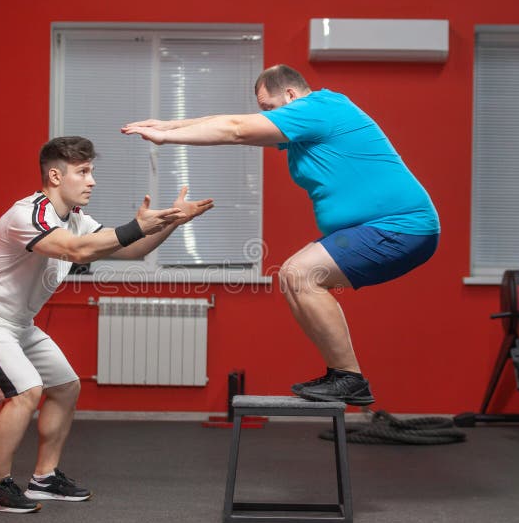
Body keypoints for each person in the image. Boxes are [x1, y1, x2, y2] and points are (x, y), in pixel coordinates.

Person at [122, 64, 439, 406]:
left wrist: (167, 137)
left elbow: (237, 129)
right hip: (380, 228)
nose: (267, 117)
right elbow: (232, 120)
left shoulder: (321, 108)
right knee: (292, 278)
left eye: (269, 108)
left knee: (299, 272)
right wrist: (170, 124)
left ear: (291, 95)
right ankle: (341, 375)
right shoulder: (305, 125)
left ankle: (349, 378)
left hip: (400, 226)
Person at [0, 136, 213, 513]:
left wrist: (172, 222)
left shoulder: (77, 220)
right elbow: (75, 250)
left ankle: (44, 478)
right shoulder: (28, 215)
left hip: (18, 324)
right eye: (83, 172)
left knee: (66, 387)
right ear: (55, 175)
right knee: (25, 393)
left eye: (92, 172)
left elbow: (132, 250)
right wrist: (135, 224)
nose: (92, 181)